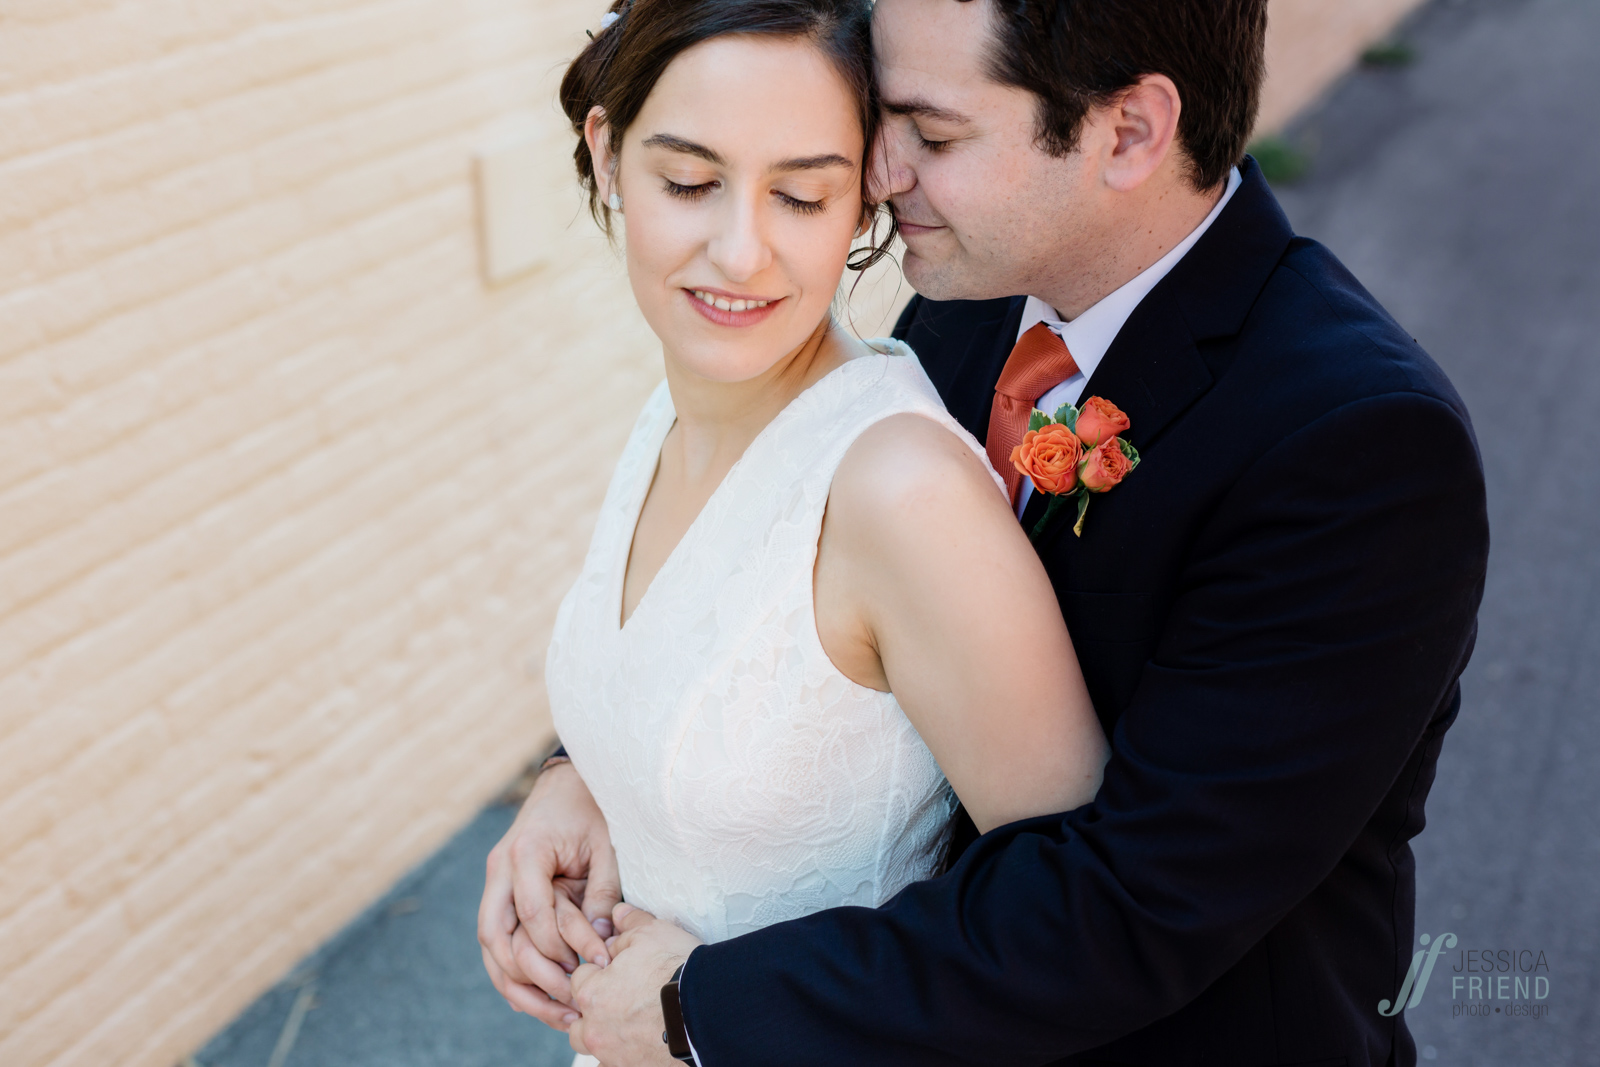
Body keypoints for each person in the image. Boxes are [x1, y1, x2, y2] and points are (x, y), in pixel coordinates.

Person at [487, 1, 1491, 1065]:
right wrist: (590, 768)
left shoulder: (1355, 444)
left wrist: (704, 1009)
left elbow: (1136, 902)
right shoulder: (968, 297)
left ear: (1130, 132)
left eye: (933, 132)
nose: (879, 173)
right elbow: (774, 614)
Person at [477, 1, 1112, 1064]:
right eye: (688, 182)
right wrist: (575, 779)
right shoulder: (677, 408)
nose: (740, 252)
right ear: (604, 154)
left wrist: (699, 1015)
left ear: (862, 195)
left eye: (802, 194)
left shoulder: (899, 492)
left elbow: (1073, 923)